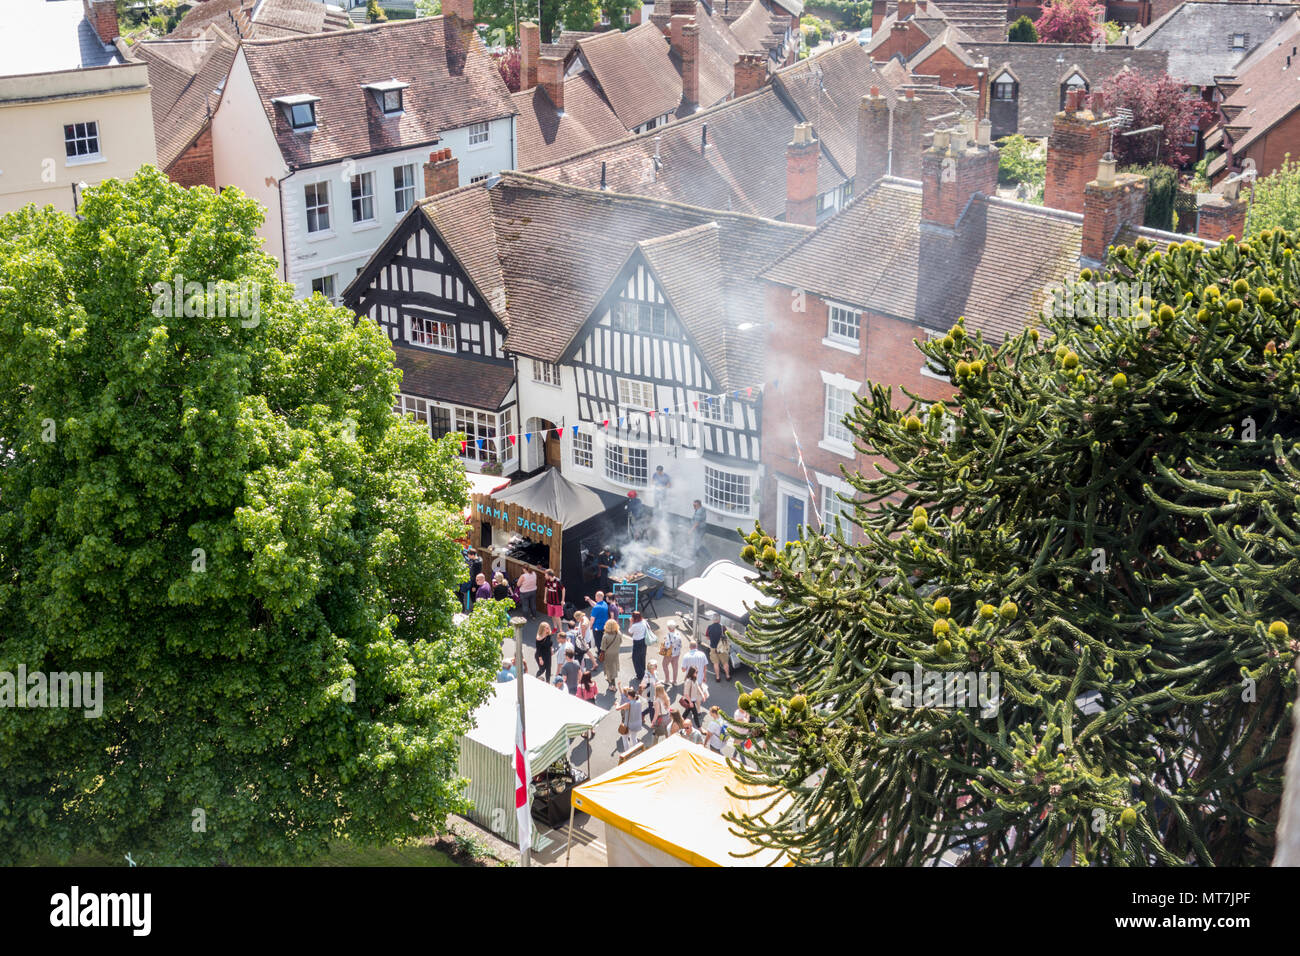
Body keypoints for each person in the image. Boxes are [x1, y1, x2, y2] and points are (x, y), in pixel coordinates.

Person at [615, 683, 644, 753]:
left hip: (629, 725)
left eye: (628, 695)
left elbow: (617, 708)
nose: (627, 696)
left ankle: (627, 752)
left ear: (630, 696)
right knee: (634, 738)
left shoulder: (628, 704)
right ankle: (637, 752)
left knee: (624, 738)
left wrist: (617, 704)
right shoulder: (639, 701)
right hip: (638, 724)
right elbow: (637, 694)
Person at [704, 612, 733, 681]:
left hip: (713, 648)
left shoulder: (709, 627)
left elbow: (707, 637)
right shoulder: (723, 627)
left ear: (713, 619)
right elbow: (727, 636)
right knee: (725, 663)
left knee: (716, 663)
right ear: (719, 619)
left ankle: (717, 677)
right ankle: (728, 676)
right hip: (722, 648)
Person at [601, 618, 623, 693]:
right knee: (614, 666)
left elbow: (603, 647)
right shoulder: (619, 633)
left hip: (608, 654)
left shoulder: (605, 636)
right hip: (616, 652)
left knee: (608, 668)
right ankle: (611, 679)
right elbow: (620, 642)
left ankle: (612, 684)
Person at [628, 610, 649, 683]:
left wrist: (630, 622)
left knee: (636, 659)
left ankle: (640, 675)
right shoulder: (644, 622)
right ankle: (643, 671)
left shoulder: (635, 625)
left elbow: (630, 632)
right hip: (643, 641)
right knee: (642, 657)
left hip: (637, 642)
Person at [660, 621, 683, 686]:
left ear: (668, 628)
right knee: (675, 666)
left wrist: (665, 641)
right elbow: (680, 644)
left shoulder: (668, 635)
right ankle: (674, 681)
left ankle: (667, 680)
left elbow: (667, 646)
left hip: (670, 654)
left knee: (664, 665)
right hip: (677, 653)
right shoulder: (678, 633)